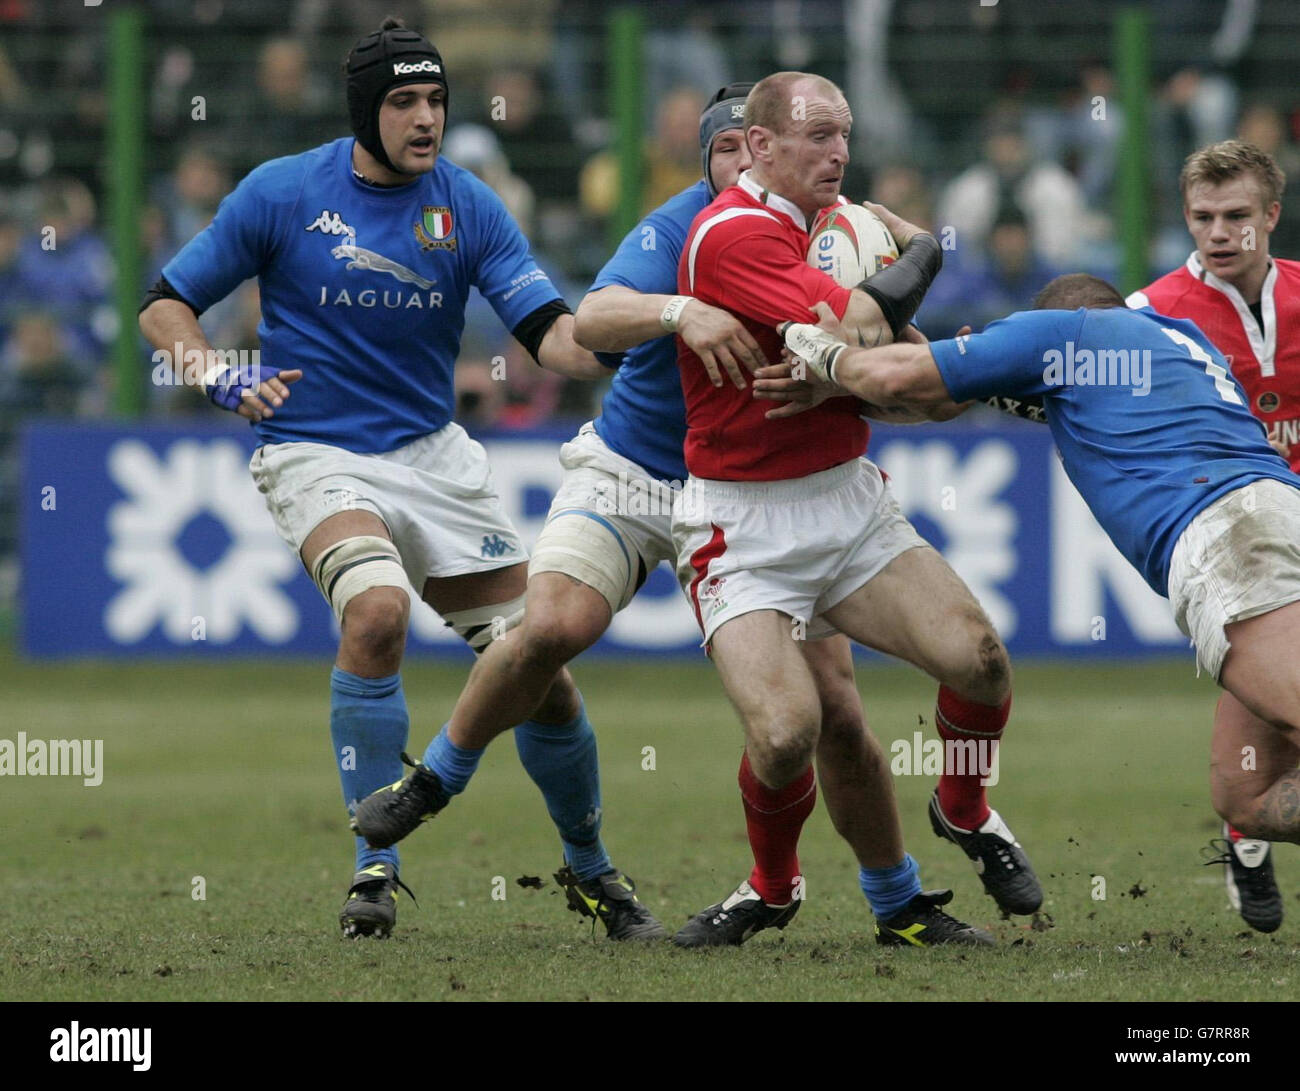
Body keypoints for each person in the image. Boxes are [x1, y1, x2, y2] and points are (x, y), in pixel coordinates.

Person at [353, 82, 989, 948]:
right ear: (719, 160)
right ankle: (434, 778)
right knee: (551, 626)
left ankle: (896, 900)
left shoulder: (829, 232)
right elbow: (595, 322)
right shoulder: (688, 227)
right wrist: (680, 310)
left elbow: (880, 353)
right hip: (635, 473)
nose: (735, 168)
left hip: (761, 496)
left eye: (746, 151)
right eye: (721, 153)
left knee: (834, 712)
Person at [138, 17, 644, 940]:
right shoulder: (281, 192)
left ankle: (589, 865)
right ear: (365, 111)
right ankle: (376, 866)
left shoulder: (470, 205)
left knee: (542, 672)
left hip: (433, 457)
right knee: (374, 614)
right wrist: (213, 371)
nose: (426, 119)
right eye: (404, 101)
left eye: (437, 100)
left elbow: (557, 339)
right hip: (315, 450)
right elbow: (162, 303)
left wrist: (648, 328)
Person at [669, 71, 1044, 946]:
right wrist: (925, 257)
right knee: (790, 731)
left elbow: (910, 379)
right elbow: (861, 326)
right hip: (744, 523)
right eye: (814, 136)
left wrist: (872, 375)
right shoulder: (729, 234)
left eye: (843, 135)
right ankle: (771, 885)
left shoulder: (843, 229)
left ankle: (962, 805)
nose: (837, 152)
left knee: (980, 660)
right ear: (760, 147)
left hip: (845, 503)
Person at [775, 274, 1300, 898]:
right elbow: (1012, 390)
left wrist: (821, 350)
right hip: (1272, 515)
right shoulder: (1180, 339)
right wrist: (972, 365)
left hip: (1232, 539)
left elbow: (896, 382)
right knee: (1245, 795)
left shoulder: (1065, 329)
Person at [1128, 139, 1300, 933]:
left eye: (1237, 216)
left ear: (1271, 214)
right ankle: (1243, 834)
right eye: (1203, 217)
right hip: (1249, 559)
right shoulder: (1149, 315)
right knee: (1249, 789)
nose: (1220, 232)